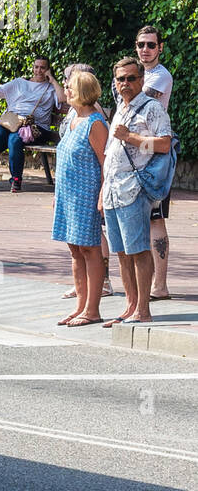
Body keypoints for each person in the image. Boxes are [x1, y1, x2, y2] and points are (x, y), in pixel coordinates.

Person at [100, 57, 173, 326]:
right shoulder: (120, 108)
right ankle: (130, 306)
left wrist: (131, 137)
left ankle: (143, 309)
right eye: (121, 79)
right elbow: (110, 152)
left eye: (131, 78)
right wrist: (103, 189)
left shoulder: (152, 108)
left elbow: (164, 144)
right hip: (113, 189)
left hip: (134, 189)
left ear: (141, 80)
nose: (126, 83)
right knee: (121, 252)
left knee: (139, 250)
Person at [51, 70, 109, 326]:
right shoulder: (74, 117)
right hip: (68, 194)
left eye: (70, 86)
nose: (65, 89)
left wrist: (102, 195)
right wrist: (58, 195)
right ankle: (80, 307)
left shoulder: (95, 123)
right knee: (74, 249)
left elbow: (105, 162)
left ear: (83, 91)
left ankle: (92, 310)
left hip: (86, 194)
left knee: (89, 248)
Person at [0, 55, 62, 192]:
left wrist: (52, 79)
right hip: (11, 121)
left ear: (48, 69)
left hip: (34, 127)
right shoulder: (19, 82)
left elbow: (63, 98)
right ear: (32, 68)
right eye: (36, 67)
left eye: (43, 68)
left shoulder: (50, 88)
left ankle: (16, 180)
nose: (39, 71)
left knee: (15, 139)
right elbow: (0, 90)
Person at [133, 27, 174, 300]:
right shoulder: (136, 73)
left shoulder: (161, 76)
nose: (145, 49)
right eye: (141, 45)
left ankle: (160, 286)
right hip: (133, 151)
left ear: (160, 47)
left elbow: (138, 102)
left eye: (150, 45)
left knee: (155, 218)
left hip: (153, 151)